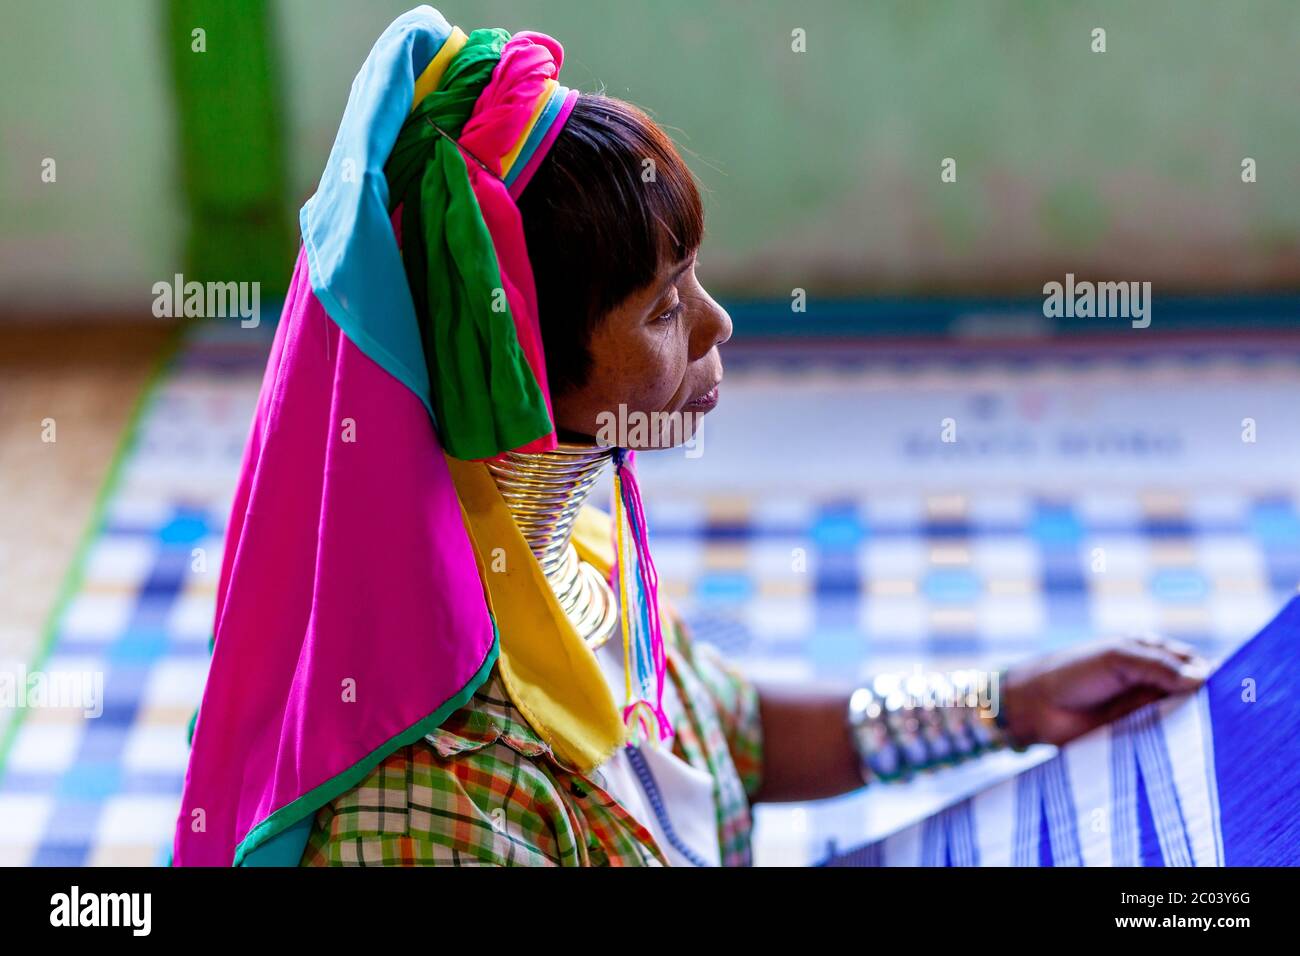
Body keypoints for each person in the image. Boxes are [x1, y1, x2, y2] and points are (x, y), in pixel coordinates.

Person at [172, 7, 1210, 868]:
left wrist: (1004, 703)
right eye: (665, 307)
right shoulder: (434, 805)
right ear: (522, 362)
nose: (717, 325)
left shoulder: (562, 559)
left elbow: (733, 737)